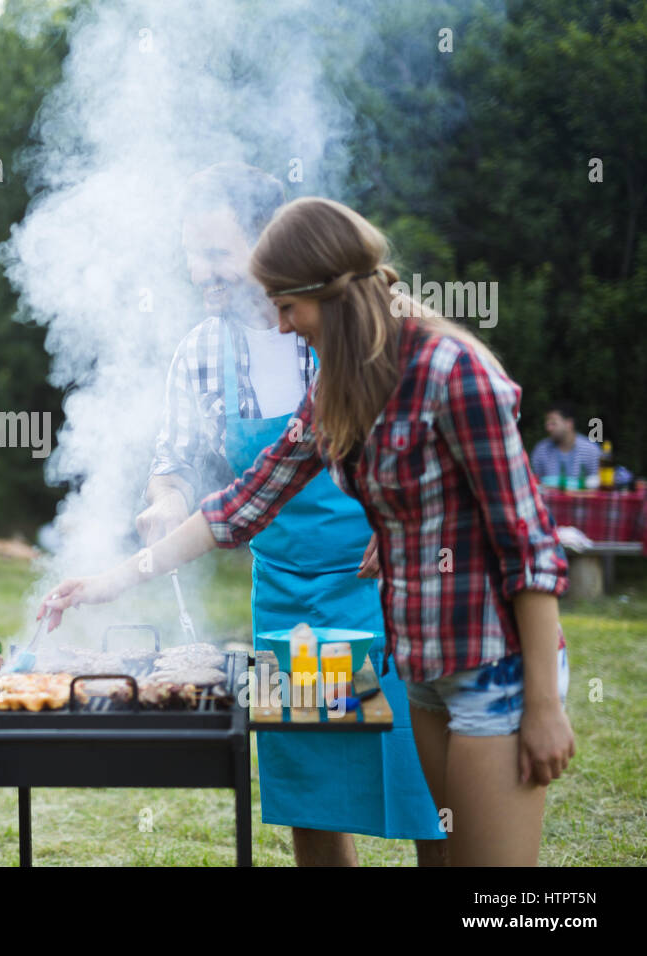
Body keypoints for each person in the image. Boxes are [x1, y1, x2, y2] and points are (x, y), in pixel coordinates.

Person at [41, 196, 574, 867]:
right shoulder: (337, 387)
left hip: (493, 666)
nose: (283, 327)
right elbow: (243, 502)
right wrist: (112, 580)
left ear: (331, 292)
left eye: (289, 308)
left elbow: (529, 544)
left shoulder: (451, 370)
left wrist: (545, 704)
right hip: (422, 666)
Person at [136, 163, 445, 866]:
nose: (199, 270)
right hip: (288, 598)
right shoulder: (200, 351)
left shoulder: (354, 331)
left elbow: (434, 443)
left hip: (385, 586)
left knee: (427, 787)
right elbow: (179, 462)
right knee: (311, 785)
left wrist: (401, 525)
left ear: (269, 244)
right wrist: (163, 504)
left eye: (216, 251)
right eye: (190, 253)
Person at [530, 401, 600, 486]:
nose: (548, 428)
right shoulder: (541, 450)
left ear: (569, 424)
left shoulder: (590, 450)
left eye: (553, 423)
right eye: (547, 424)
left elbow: (597, 485)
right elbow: (535, 484)